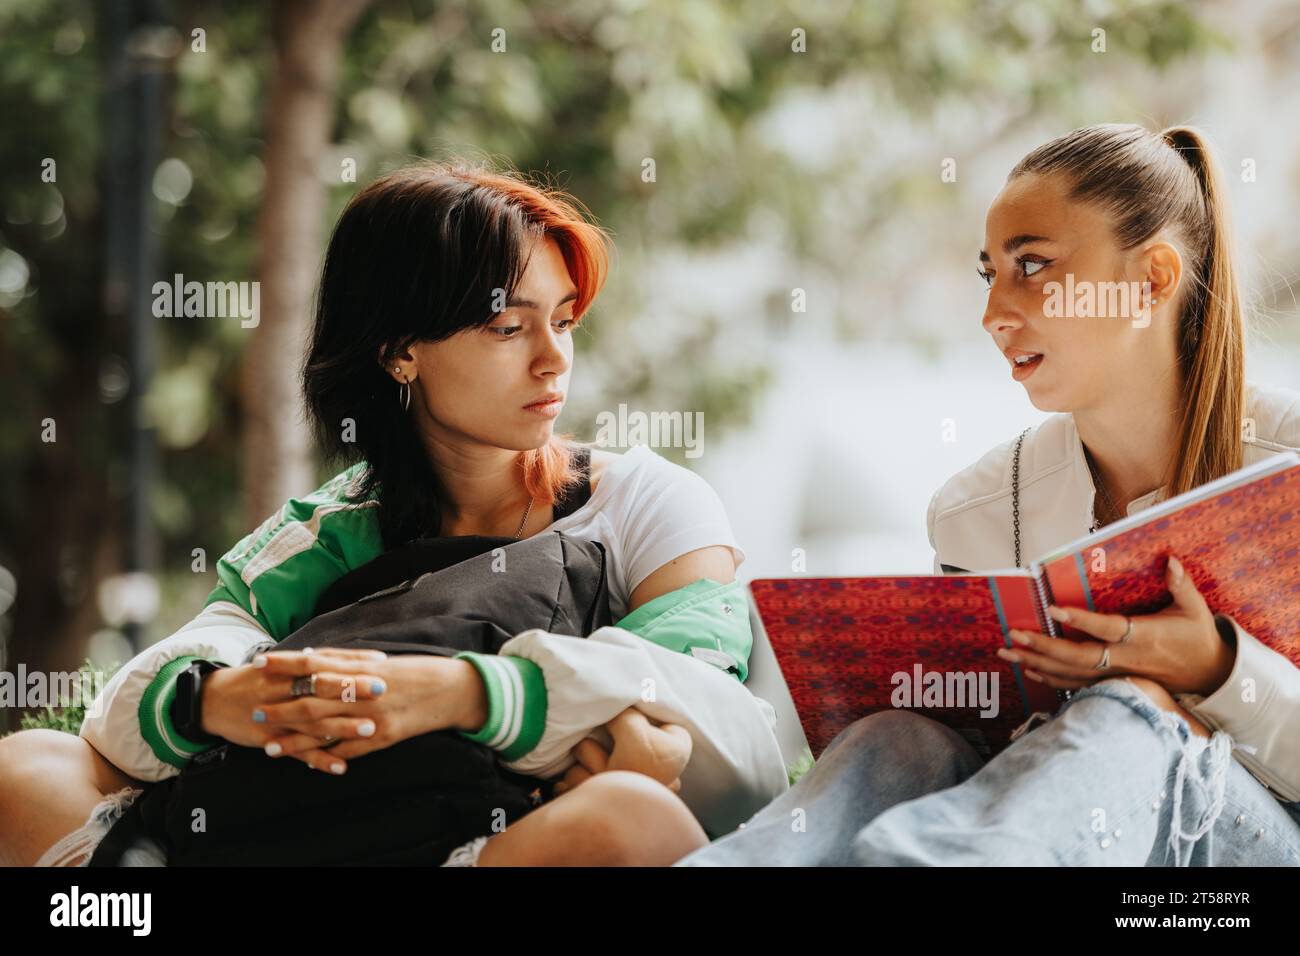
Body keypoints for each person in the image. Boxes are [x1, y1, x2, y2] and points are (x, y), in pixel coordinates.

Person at [0, 161, 787, 868]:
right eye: (508, 326)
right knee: (27, 772)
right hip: (282, 832)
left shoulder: (648, 505)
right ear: (398, 353)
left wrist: (464, 694)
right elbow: (134, 707)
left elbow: (725, 743)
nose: (553, 358)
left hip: (478, 848)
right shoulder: (325, 530)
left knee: (632, 819)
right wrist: (213, 700)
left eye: (565, 319)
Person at [680, 124, 1300, 867]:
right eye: (990, 275)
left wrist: (1216, 670)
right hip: (1037, 822)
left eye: (1032, 265)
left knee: (1130, 708)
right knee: (897, 736)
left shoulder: (1286, 461)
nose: (994, 313)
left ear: (1154, 280)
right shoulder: (975, 509)